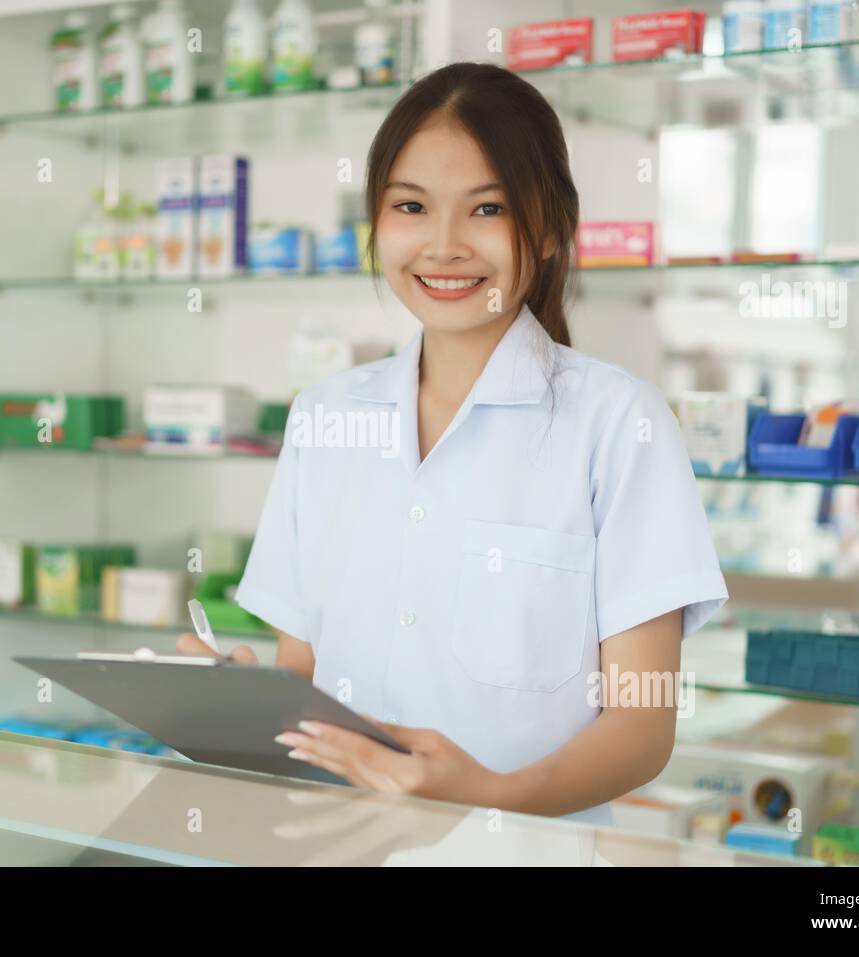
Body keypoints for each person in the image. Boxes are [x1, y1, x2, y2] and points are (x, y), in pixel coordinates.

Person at [178, 62, 729, 825]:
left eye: (486, 209)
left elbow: (642, 727)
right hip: (331, 845)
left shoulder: (619, 425)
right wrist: (238, 706)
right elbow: (301, 669)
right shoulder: (324, 415)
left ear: (547, 227)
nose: (443, 245)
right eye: (411, 206)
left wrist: (490, 796)